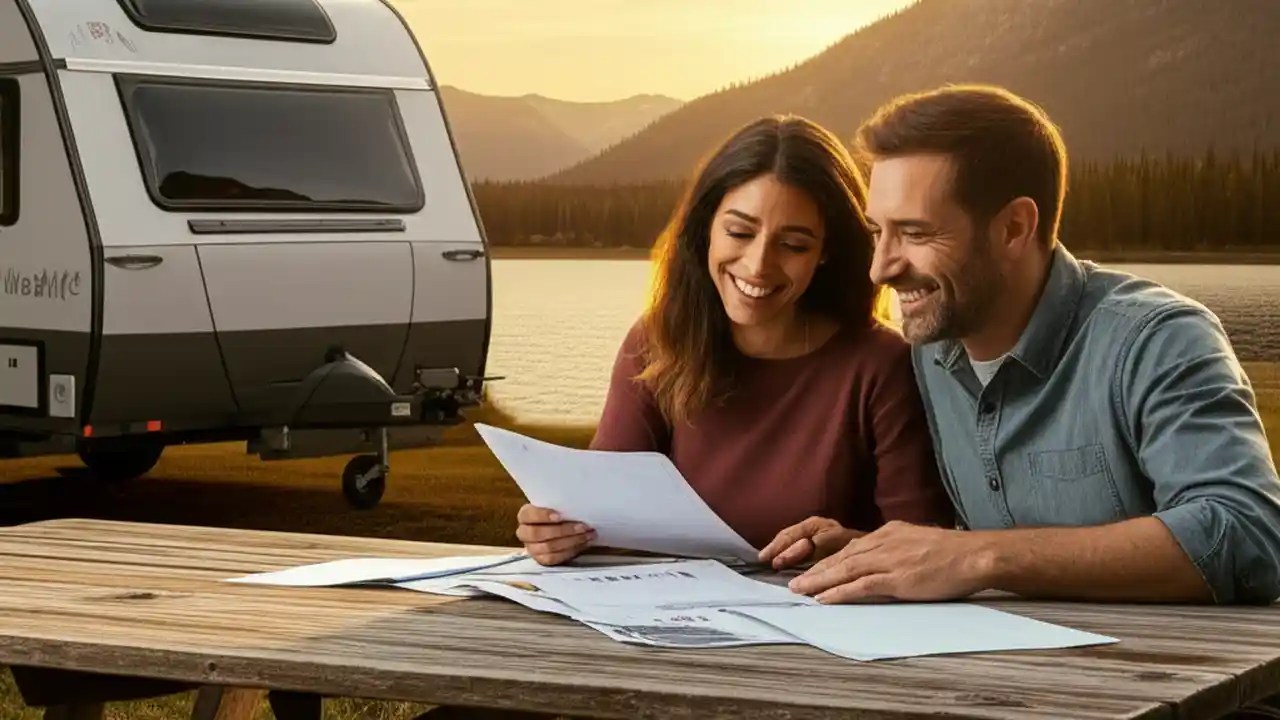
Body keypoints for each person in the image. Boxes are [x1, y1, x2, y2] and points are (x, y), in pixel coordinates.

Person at [762, 83, 1280, 608]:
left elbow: (1245, 534)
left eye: (915, 233)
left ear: (1014, 228)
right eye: (879, 232)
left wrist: (979, 557)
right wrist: (876, 558)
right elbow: (975, 556)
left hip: (1193, 681)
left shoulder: (1159, 339)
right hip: (1021, 681)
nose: (882, 268)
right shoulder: (931, 349)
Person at [514, 114, 956, 565]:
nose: (759, 264)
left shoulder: (882, 366)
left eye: (794, 245)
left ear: (826, 253)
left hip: (819, 619)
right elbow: (601, 518)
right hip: (673, 621)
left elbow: (923, 547)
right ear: (706, 226)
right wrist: (558, 533)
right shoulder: (655, 342)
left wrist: (848, 545)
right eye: (740, 232)